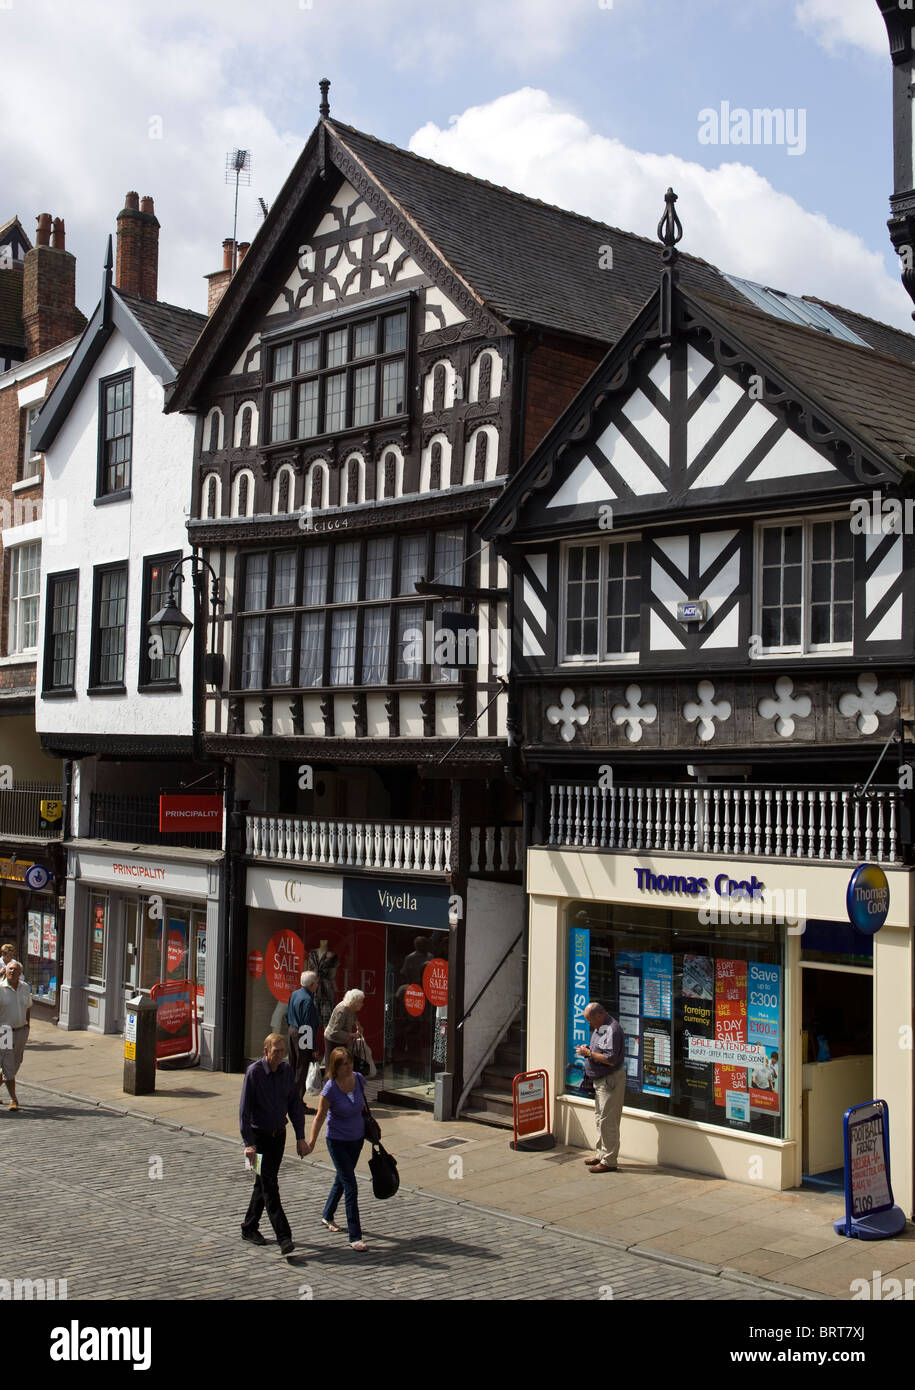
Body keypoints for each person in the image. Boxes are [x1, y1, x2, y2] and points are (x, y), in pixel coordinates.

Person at [238, 1032, 308, 1255]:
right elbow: (244, 1111)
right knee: (269, 1185)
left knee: (263, 1183)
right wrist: (248, 1143)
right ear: (265, 1051)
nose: (279, 1055)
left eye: (282, 1051)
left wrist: (300, 1137)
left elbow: (294, 1106)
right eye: (275, 1051)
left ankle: (249, 1227)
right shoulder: (254, 1073)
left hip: (278, 1137)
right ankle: (284, 1237)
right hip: (258, 1140)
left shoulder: (286, 1071)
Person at [305, 1047, 368, 1251]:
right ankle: (355, 1235)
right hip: (337, 1141)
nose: (349, 1066)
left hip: (357, 1139)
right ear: (335, 1067)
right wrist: (311, 1142)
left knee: (342, 1179)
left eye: (350, 1062)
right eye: (344, 1064)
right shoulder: (330, 1088)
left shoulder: (358, 1079)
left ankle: (327, 1214)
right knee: (351, 1185)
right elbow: (320, 1117)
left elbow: (363, 1107)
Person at [575, 1000, 625, 1173]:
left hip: (609, 1080)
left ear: (599, 1015)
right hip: (599, 1080)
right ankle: (601, 1153)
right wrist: (590, 1049)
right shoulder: (600, 1027)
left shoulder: (612, 1029)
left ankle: (609, 1161)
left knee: (607, 1121)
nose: (590, 1024)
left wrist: (588, 1053)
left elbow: (610, 1059)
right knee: (599, 1118)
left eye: (591, 1020)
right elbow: (601, 1051)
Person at [0, 960, 31, 1111]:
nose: (12, 972)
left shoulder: (25, 988)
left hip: (21, 1030)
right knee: (8, 1066)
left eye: (15, 970)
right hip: (4, 1031)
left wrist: (28, 1025)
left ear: (20, 973)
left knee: (17, 1062)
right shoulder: (0, 988)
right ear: (5, 971)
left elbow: (28, 1006)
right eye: (10, 969)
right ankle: (14, 1099)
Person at [286, 970, 320, 1110]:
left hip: (292, 1031)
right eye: (316, 982)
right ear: (312, 984)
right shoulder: (307, 1000)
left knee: (293, 1066)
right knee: (301, 1068)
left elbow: (287, 1015)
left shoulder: (295, 994)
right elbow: (307, 1026)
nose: (317, 985)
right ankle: (297, 1102)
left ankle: (291, 1099)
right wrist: (313, 1048)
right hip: (302, 1034)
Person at [323, 988, 365, 1067]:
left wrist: (358, 1025)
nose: (362, 1004)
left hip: (341, 1040)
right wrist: (351, 1035)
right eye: (361, 1002)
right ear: (355, 1002)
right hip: (333, 1040)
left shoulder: (351, 1007)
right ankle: (329, 1079)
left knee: (341, 1065)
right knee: (333, 1066)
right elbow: (335, 1032)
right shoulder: (342, 1011)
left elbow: (353, 1016)